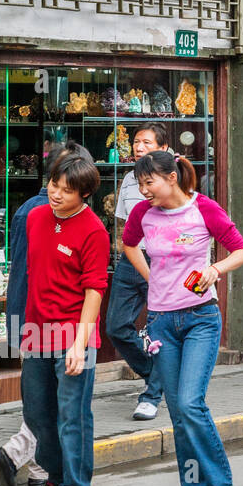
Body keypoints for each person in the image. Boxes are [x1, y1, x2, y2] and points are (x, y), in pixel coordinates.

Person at [121, 151, 243, 486]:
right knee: (178, 413)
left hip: (200, 320)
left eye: (150, 183)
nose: (145, 190)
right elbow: (128, 244)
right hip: (162, 322)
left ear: (171, 178)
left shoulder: (203, 209)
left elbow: (242, 251)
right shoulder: (142, 215)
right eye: (140, 184)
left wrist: (214, 269)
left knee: (191, 403)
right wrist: (152, 278)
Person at [20, 151, 109, 486]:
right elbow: (32, 275)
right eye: (54, 184)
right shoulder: (36, 216)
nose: (55, 194)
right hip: (34, 332)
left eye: (65, 190)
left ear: (84, 194)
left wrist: (79, 343)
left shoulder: (94, 231)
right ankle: (55, 476)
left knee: (73, 418)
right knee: (38, 415)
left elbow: (94, 291)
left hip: (75, 337)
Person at [0, 143, 82, 486]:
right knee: (55, 404)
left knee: (45, 400)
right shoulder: (41, 214)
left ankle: (42, 475)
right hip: (47, 320)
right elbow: (31, 272)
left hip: (38, 319)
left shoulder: (32, 208)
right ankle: (17, 456)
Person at [109, 122, 169, 421]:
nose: (139, 146)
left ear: (163, 148)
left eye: (146, 142)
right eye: (136, 141)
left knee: (159, 332)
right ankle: (155, 376)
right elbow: (121, 223)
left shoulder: (174, 181)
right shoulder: (128, 180)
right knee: (116, 326)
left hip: (162, 261)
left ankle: (151, 395)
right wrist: (122, 251)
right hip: (131, 259)